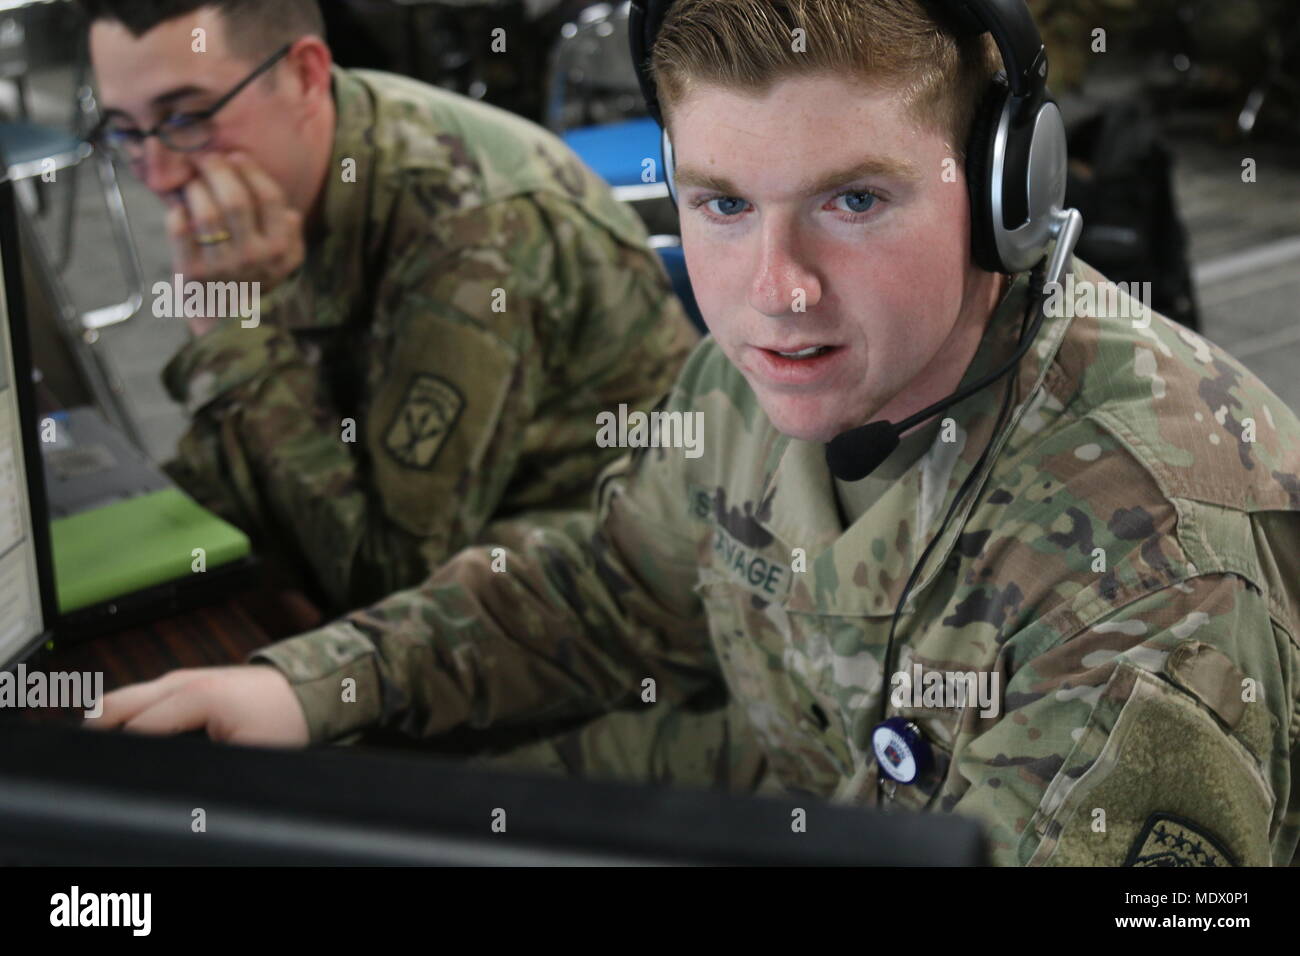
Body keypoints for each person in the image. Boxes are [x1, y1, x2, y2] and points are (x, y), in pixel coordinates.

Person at [92, 0, 1300, 867]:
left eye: (854, 199)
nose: (775, 290)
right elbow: (614, 586)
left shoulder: (1149, 579)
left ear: (1006, 198)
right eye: (721, 203)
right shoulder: (754, 377)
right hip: (795, 784)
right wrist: (303, 688)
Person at [79, 0, 698, 612]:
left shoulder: (473, 231)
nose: (156, 175)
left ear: (304, 75)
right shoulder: (301, 161)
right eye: (125, 132)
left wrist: (237, 331)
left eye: (187, 117)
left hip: (598, 608)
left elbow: (390, 581)